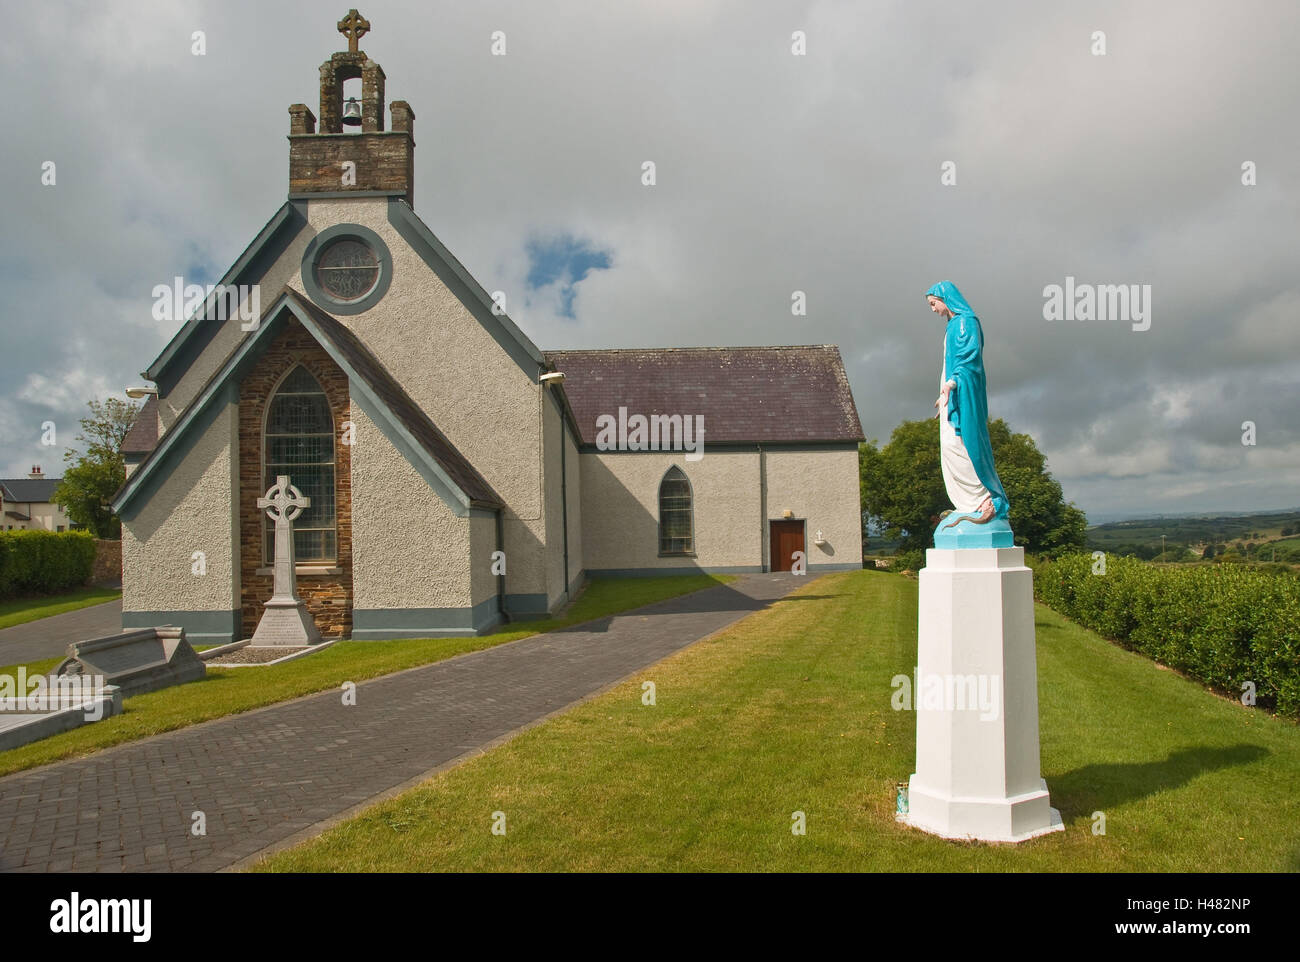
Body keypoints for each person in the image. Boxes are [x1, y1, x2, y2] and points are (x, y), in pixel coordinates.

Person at [925, 281, 1010, 527]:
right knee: (950, 447)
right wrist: (944, 396)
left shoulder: (966, 322)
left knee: (963, 444)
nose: (933, 310)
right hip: (951, 396)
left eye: (933, 304)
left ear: (945, 298)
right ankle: (967, 504)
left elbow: (969, 360)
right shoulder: (952, 326)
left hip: (964, 393)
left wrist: (951, 385)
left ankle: (985, 498)